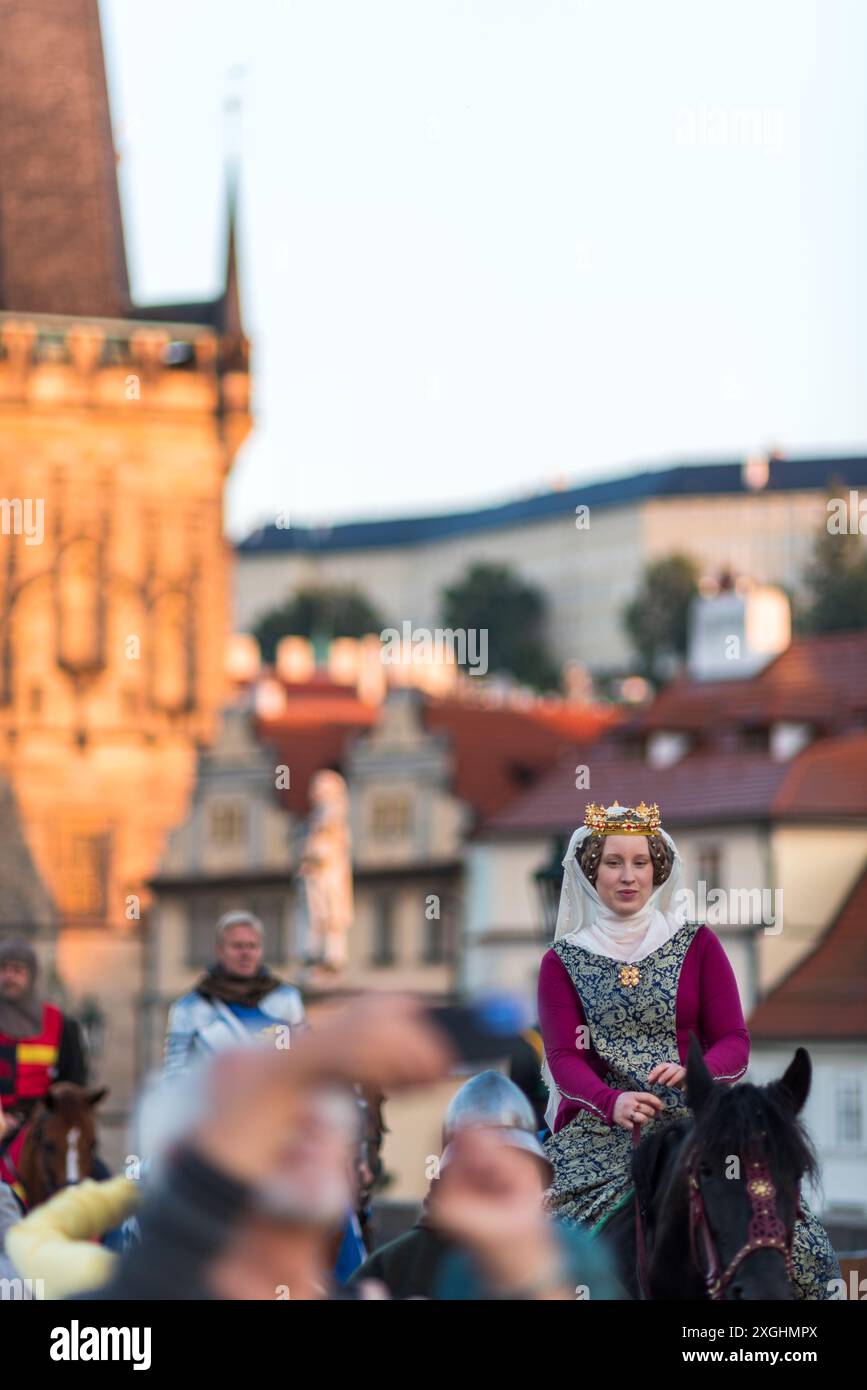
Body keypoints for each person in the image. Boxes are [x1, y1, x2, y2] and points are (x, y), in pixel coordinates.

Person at [537, 798, 841, 1300]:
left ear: (658, 869)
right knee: (537, 1245)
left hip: (700, 1124)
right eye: (614, 863)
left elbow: (735, 1043)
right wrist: (613, 1101)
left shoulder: (698, 943)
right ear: (593, 871)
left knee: (806, 1249)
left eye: (640, 862)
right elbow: (563, 1059)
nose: (628, 876)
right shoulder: (561, 961)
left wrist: (692, 1071)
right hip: (601, 1134)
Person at [347, 1070, 622, 1300]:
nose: (494, 1181)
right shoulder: (393, 1269)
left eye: (510, 1173)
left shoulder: (576, 1257)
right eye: (478, 1175)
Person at [164, 910, 306, 1078]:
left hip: (274, 1101)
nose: (246, 953)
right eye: (237, 946)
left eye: (252, 946)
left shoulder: (286, 999)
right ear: (220, 950)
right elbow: (175, 1072)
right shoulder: (189, 1007)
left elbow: (303, 1057)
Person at [0, 938, 90, 1189]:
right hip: (1, 1128)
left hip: (46, 1133)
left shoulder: (61, 1024)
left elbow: (74, 1087)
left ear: (31, 976)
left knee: (98, 1185)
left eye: (17, 970)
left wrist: (49, 1122)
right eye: (3, 969)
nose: (9, 977)